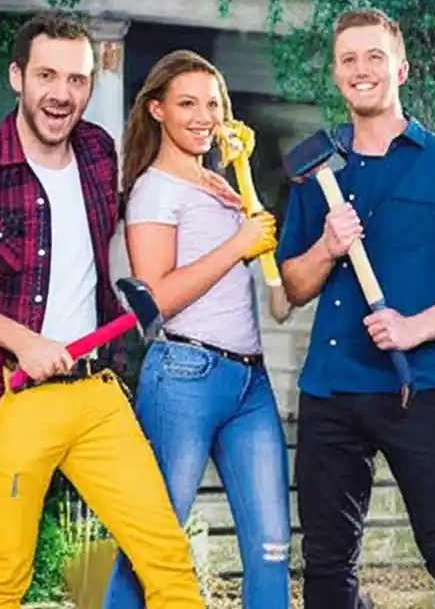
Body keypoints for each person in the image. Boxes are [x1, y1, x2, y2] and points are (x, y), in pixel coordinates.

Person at [0, 14, 205, 609]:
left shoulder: (98, 153)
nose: (61, 93)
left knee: (168, 561)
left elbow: (127, 225)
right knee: (2, 582)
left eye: (77, 79)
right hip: (12, 397)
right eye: (47, 75)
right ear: (17, 76)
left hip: (97, 396)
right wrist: (20, 339)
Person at [275, 8, 435, 609]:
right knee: (327, 561)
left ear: (400, 68)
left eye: (375, 56)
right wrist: (329, 247)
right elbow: (293, 285)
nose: (362, 70)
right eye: (349, 59)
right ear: (336, 75)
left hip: (418, 393)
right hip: (329, 391)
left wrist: (415, 328)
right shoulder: (315, 172)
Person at [103, 50, 291, 609]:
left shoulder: (220, 184)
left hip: (249, 382)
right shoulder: (153, 189)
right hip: (184, 375)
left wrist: (244, 178)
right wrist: (238, 246)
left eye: (213, 103)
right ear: (157, 110)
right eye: (187, 103)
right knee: (152, 549)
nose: (204, 115)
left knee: (272, 551)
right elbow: (155, 298)